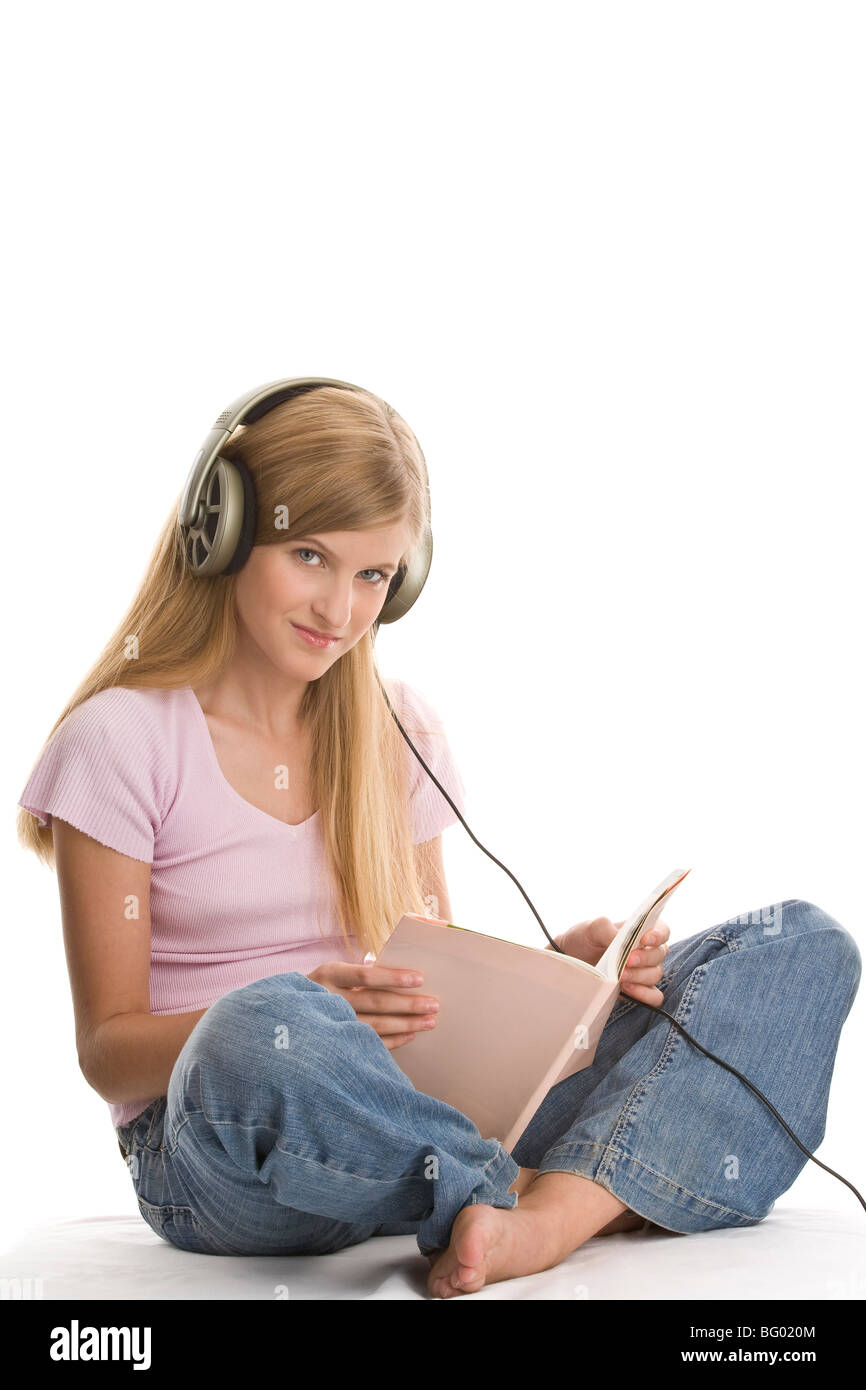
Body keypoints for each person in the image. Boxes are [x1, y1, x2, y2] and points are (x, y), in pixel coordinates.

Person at [17, 383, 861, 1299]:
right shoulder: (120, 740)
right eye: (310, 556)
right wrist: (302, 1008)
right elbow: (107, 1048)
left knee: (798, 947)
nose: (340, 611)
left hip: (411, 1116)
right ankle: (549, 1191)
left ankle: (537, 1219)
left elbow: (435, 991)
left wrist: (557, 984)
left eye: (374, 576)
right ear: (221, 531)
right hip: (225, 1147)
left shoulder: (396, 727)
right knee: (264, 1027)